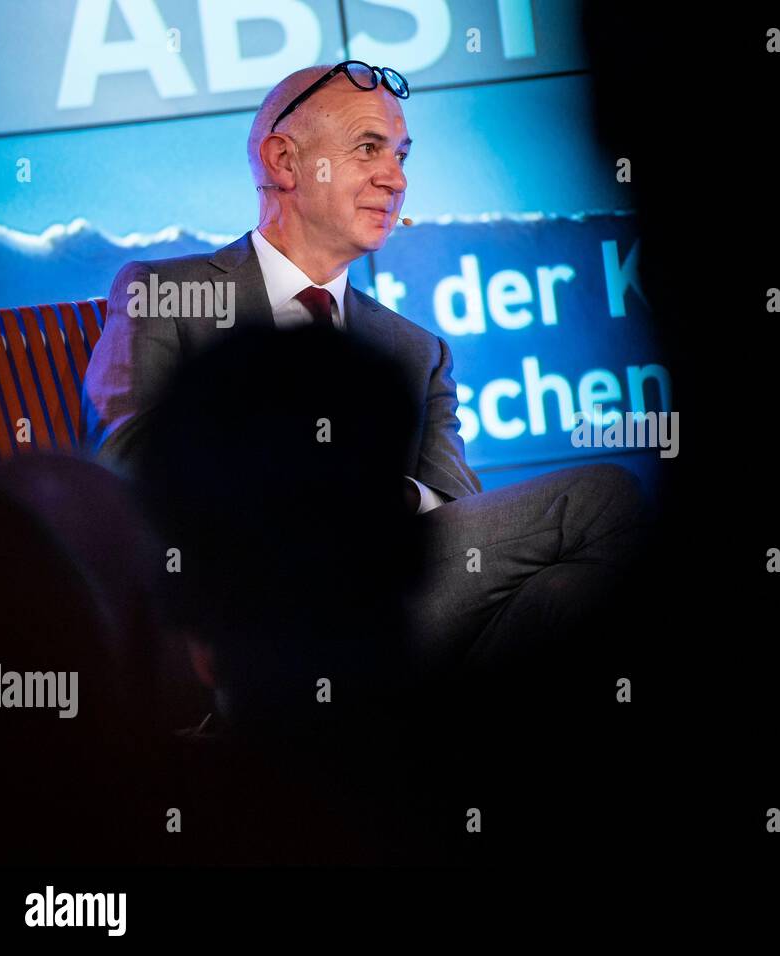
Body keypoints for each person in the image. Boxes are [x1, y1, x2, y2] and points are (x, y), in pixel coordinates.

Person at [81, 62, 651, 681]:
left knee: (562, 597)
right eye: (369, 148)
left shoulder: (415, 349)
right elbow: (124, 469)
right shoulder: (166, 292)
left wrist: (394, 499)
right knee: (600, 498)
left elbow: (464, 515)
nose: (396, 177)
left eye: (402, 155)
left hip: (393, 613)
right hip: (249, 622)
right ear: (284, 161)